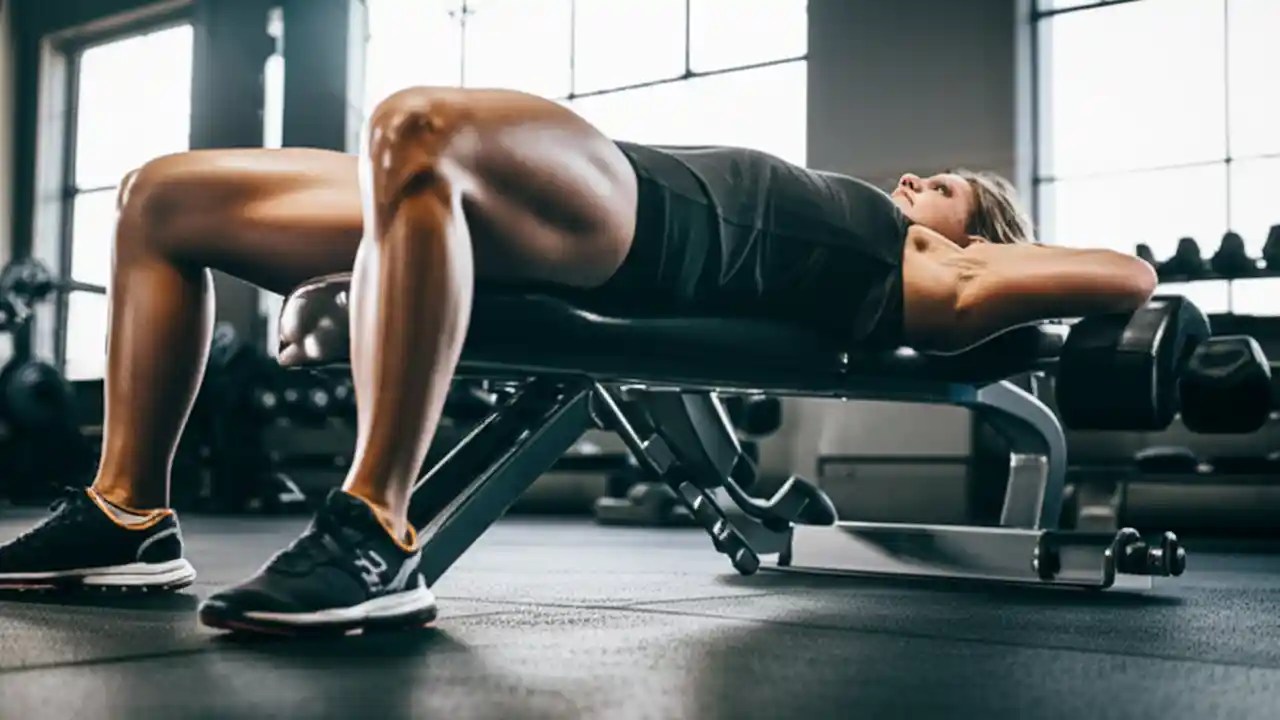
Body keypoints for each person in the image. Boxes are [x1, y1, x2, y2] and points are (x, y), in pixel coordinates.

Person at [0, 87, 1156, 634]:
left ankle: (375, 534)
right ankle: (127, 514)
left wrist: (1022, 256)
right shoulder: (905, 238)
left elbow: (1127, 277)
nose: (911, 181)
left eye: (940, 186)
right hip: (583, 182)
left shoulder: (940, 275)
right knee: (162, 197)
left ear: (982, 236)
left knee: (416, 125)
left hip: (635, 219)